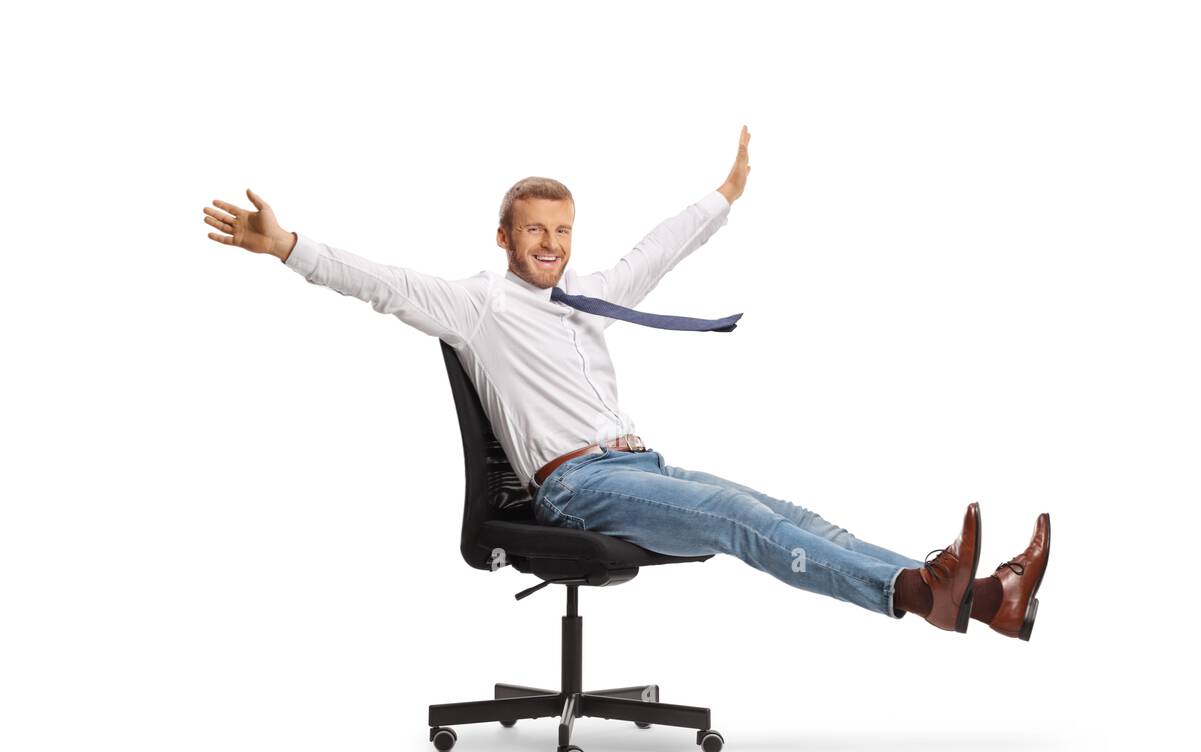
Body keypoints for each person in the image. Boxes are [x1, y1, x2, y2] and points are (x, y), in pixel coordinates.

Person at [202, 126, 1050, 640]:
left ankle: (981, 601)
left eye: (562, 230)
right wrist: (286, 246)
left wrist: (725, 194)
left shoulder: (585, 298)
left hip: (640, 466)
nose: (550, 243)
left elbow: (657, 251)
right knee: (741, 522)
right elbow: (383, 283)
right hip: (577, 489)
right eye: (534, 230)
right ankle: (912, 592)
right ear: (503, 235)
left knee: (787, 514)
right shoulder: (477, 306)